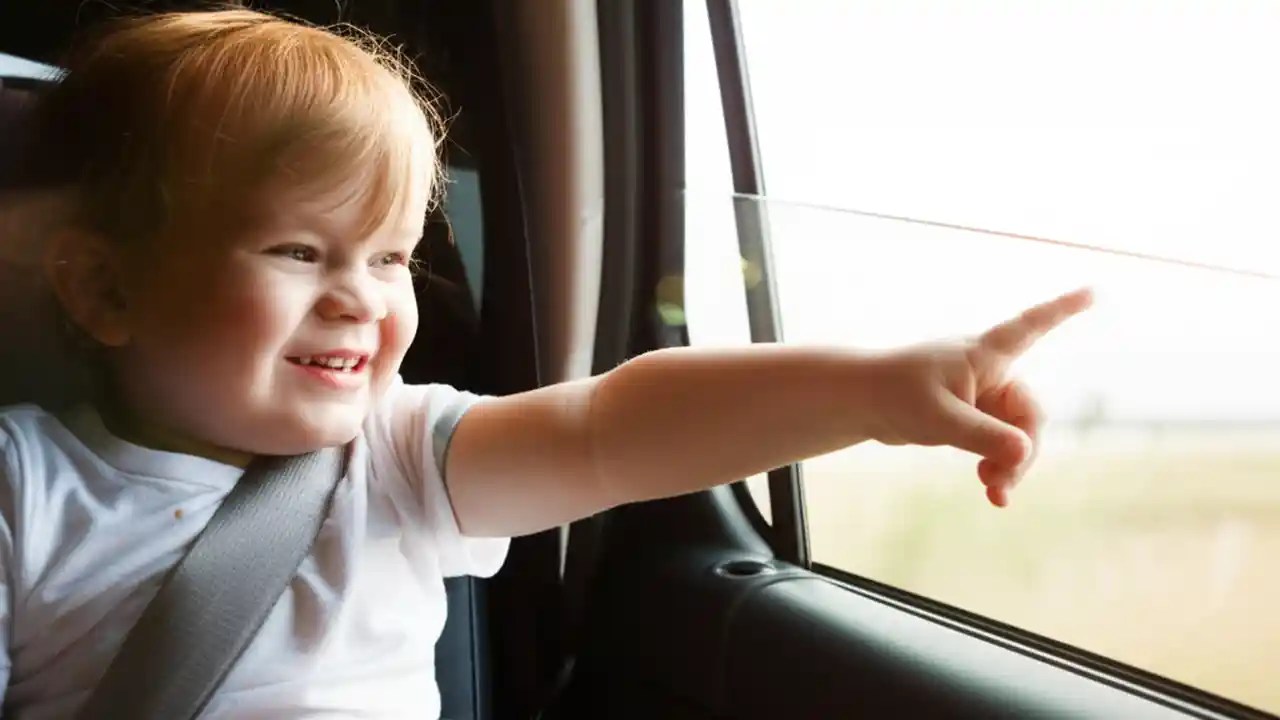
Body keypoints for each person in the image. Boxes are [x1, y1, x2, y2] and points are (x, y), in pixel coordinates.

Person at [0, 9, 1093, 718]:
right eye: (296, 251)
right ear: (106, 290)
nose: (360, 297)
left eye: (387, 258)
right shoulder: (25, 485)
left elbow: (607, 428)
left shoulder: (392, 458)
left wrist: (866, 391)